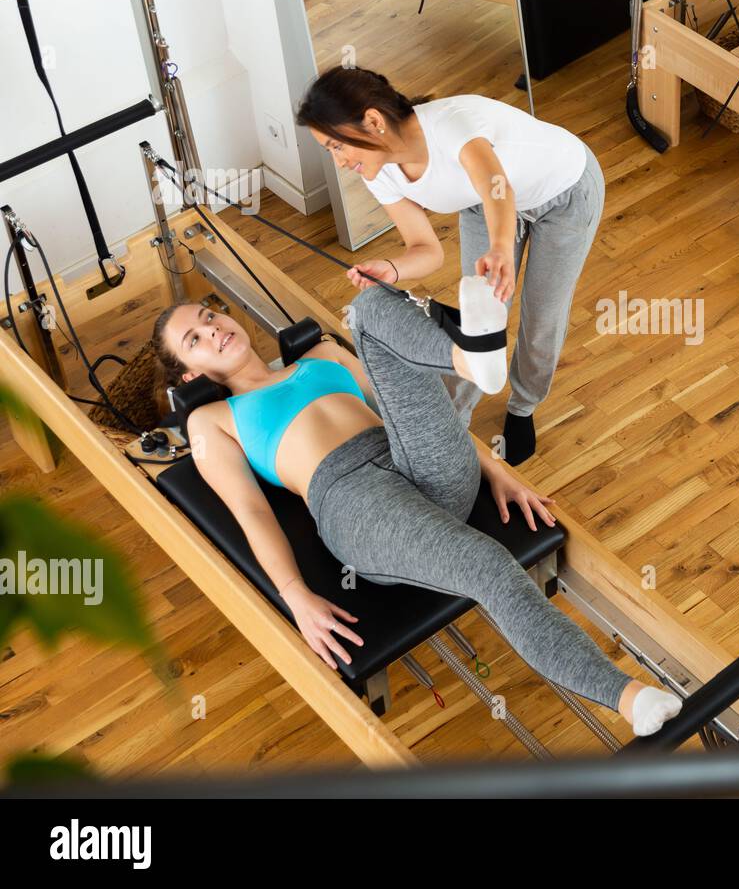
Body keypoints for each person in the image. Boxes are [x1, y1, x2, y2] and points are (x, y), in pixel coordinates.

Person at [151, 286, 682, 737]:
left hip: (415, 458)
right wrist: (297, 598)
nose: (214, 330)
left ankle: (474, 356)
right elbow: (251, 515)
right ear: (189, 374)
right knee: (489, 565)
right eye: (194, 339)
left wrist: (500, 472)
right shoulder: (213, 421)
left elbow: (422, 413)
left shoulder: (323, 358)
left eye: (210, 317)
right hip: (351, 500)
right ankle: (627, 697)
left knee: (371, 307)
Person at [297, 66, 604, 466]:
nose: (339, 162)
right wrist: (390, 268)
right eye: (330, 151)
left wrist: (499, 248)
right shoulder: (380, 173)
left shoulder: (452, 124)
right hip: (481, 204)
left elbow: (499, 186)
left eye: (337, 147)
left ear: (373, 121)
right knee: (479, 318)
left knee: (543, 316)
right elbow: (426, 248)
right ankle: (453, 420)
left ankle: (523, 407)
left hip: (565, 193)